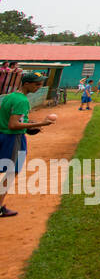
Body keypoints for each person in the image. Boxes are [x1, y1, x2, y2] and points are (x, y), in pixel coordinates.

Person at [1, 72, 59, 217]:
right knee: (10, 172)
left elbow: (12, 119)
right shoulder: (22, 101)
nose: (39, 87)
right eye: (36, 84)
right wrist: (42, 123)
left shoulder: (11, 96)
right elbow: (13, 125)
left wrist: (30, 125)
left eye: (40, 84)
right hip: (13, 139)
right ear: (26, 84)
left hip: (3, 136)